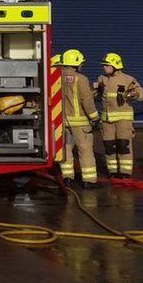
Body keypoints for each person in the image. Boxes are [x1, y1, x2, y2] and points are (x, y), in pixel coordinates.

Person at [93, 52, 143, 179]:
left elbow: (141, 94)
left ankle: (125, 173)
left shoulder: (128, 79)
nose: (104, 67)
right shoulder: (101, 79)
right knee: (109, 146)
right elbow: (94, 96)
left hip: (123, 120)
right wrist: (94, 88)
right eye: (104, 65)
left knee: (123, 145)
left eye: (106, 65)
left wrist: (134, 94)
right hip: (107, 121)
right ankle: (113, 171)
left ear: (115, 65)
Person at [60, 49, 103, 188]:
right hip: (81, 123)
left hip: (63, 122)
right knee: (85, 151)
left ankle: (67, 179)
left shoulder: (56, 76)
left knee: (66, 151)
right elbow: (86, 100)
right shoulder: (81, 79)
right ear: (76, 63)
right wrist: (95, 118)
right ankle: (88, 181)